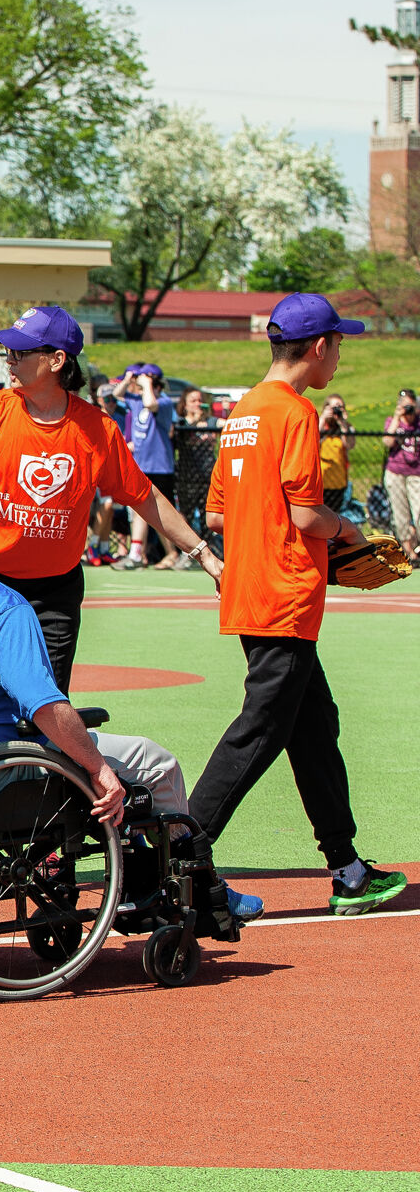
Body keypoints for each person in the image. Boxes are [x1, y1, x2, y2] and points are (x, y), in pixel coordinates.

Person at [0, 482, 263, 918]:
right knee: (159, 766)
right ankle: (198, 889)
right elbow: (44, 708)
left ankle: (144, 875)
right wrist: (98, 769)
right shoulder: (1, 604)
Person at [189, 293, 409, 916]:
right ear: (318, 348)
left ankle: (348, 868)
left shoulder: (241, 412)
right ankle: (177, 855)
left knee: (314, 726)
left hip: (252, 590)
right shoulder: (294, 413)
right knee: (260, 731)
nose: (340, 355)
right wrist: (351, 534)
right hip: (285, 596)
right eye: (339, 344)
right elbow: (307, 514)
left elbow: (216, 512)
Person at [0, 305, 220, 692]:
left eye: (20, 353)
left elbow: (145, 497)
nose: (9, 361)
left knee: (45, 706)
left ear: (57, 360)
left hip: (55, 596)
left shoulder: (97, 430)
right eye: (8, 352)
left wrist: (204, 554)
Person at [111, 363, 182, 570]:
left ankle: (173, 553)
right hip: (141, 464)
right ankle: (135, 554)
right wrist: (128, 379)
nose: (141, 391)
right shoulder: (136, 401)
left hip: (159, 466)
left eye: (145, 385)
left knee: (162, 514)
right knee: (140, 508)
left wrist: (147, 383)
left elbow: (151, 404)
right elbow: (117, 394)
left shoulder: (164, 401)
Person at [384, 389, 420, 560]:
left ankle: (416, 540)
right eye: (404, 406)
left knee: (419, 511)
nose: (408, 410)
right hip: (396, 472)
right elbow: (388, 441)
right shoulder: (393, 421)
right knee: (401, 514)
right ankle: (409, 552)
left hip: (416, 474)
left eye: (411, 406)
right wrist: (398, 417)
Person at [318, 394, 356, 514]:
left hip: (339, 482)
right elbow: (311, 439)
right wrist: (323, 417)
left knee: (335, 516)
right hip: (320, 481)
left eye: (339, 407)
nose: (336, 410)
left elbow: (350, 445)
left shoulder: (346, 427)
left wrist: (342, 423)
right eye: (333, 407)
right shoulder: (321, 425)